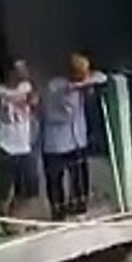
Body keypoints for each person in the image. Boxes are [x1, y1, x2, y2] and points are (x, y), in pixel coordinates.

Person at [41, 53, 106, 220]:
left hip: (77, 138)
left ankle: (79, 206)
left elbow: (101, 77)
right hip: (57, 141)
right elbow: (62, 112)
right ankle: (58, 211)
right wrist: (74, 89)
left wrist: (84, 84)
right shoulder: (54, 86)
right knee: (55, 179)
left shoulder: (82, 83)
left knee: (80, 175)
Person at [0, 60, 38, 227]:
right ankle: (5, 222)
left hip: (23, 145)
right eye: (19, 70)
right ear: (10, 73)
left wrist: (31, 99)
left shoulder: (26, 88)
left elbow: (34, 103)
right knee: (3, 190)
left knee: (30, 189)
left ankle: (15, 219)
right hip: (3, 146)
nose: (23, 73)